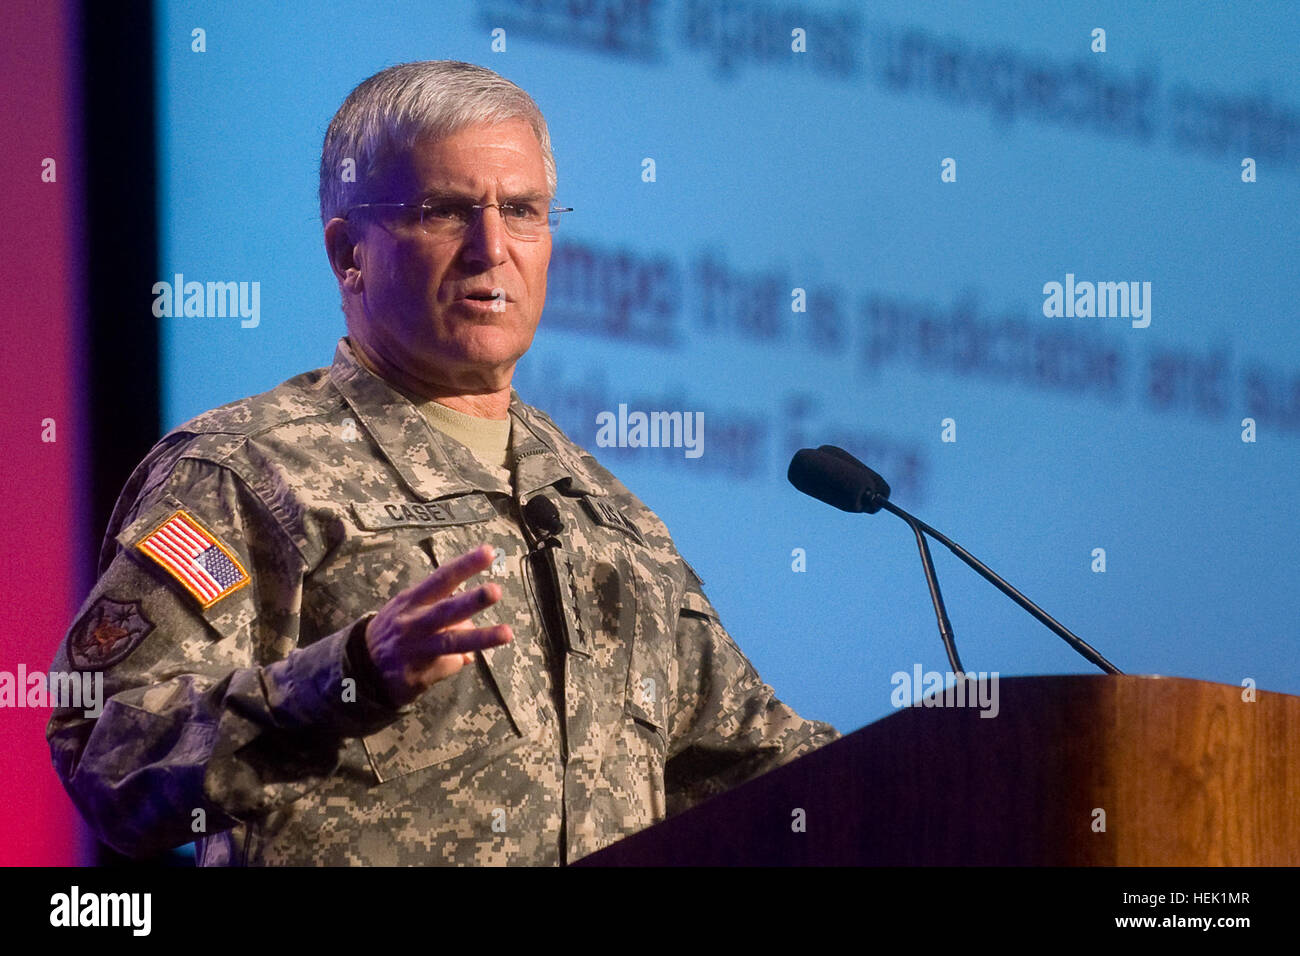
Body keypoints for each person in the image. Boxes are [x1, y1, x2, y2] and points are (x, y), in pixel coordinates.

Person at [47, 60, 841, 866]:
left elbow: (762, 767)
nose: (491, 248)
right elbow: (104, 750)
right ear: (348, 251)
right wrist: (348, 674)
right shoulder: (243, 472)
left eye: (522, 211)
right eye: (445, 211)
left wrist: (954, 758)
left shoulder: (608, 516)